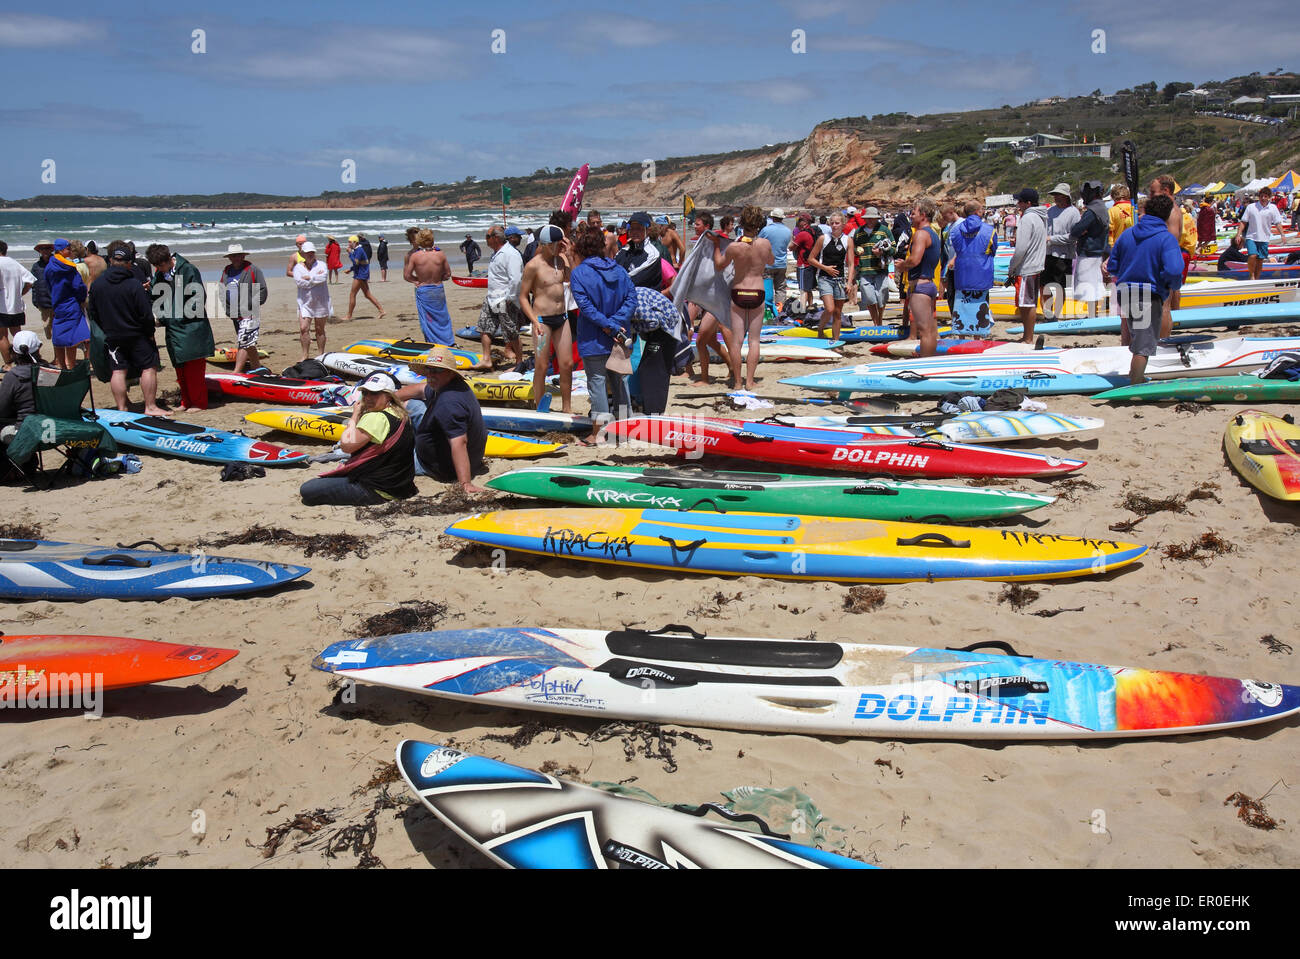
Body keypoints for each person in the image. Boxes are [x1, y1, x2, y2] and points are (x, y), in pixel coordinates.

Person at [299, 372, 417, 506]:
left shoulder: (376, 417)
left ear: (388, 396)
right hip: (401, 486)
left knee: (308, 489)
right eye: (365, 393)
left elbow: (346, 446)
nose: (368, 397)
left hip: (376, 489)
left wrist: (355, 415)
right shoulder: (401, 415)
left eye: (375, 393)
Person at [1107, 193, 1183, 385]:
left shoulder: (1128, 234)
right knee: (1144, 343)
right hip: (1149, 293)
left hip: (1125, 291)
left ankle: (1135, 375)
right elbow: (1174, 270)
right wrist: (1171, 285)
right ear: (1166, 216)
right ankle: (1136, 380)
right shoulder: (1166, 238)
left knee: (1138, 336)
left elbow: (1112, 266)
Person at [570, 226, 635, 440]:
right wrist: (615, 324)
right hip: (619, 334)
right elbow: (631, 300)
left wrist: (609, 325)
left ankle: (599, 432)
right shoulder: (619, 270)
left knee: (597, 381)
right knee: (619, 380)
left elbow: (586, 307)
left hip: (594, 335)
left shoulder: (579, 273)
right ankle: (625, 428)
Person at [89, 241, 168, 416]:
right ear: (128, 264)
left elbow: (93, 313)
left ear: (110, 261)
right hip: (136, 334)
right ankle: (150, 406)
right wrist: (150, 333)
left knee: (118, 370)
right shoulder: (133, 284)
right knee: (149, 367)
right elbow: (146, 314)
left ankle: (122, 407)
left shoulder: (97, 285)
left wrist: (106, 328)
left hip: (112, 334)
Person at [398, 350, 488, 492]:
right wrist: (390, 397)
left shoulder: (448, 402)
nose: (431, 375)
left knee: (382, 457)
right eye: (429, 369)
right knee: (410, 403)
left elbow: (459, 442)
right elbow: (421, 389)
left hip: (436, 466)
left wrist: (465, 483)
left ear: (450, 373)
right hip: (469, 458)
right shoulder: (448, 385)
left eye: (438, 370)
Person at [145, 243, 214, 412]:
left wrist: (170, 316)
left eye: (161, 265)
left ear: (169, 259)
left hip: (191, 327)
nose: (159, 269)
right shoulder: (160, 275)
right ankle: (186, 401)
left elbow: (197, 300)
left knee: (194, 369)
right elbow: (156, 297)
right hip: (173, 329)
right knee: (180, 367)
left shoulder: (188, 270)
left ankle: (199, 403)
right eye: (157, 267)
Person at [711, 205, 773, 392]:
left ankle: (737, 382)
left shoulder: (734, 247)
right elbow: (771, 261)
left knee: (737, 340)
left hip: (738, 292)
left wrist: (716, 245)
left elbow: (719, 265)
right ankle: (750, 381)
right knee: (754, 340)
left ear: (741, 223)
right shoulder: (764, 244)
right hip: (757, 292)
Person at [519, 224, 576, 413]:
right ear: (544, 244)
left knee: (567, 364)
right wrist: (534, 321)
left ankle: (567, 407)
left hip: (562, 317)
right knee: (542, 365)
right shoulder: (533, 265)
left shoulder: (561, 260)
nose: (557, 247)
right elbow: (523, 296)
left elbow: (572, 280)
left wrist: (568, 256)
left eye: (559, 243)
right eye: (554, 244)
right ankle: (540, 407)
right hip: (542, 319)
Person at [471, 225, 523, 370]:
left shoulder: (511, 254)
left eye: (487, 236)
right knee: (484, 327)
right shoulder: (496, 253)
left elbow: (516, 279)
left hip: (505, 299)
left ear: (495, 238)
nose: (485, 239)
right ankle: (486, 359)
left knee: (511, 331)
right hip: (491, 297)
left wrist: (510, 297)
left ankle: (519, 362)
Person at [947, 200, 998, 338]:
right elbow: (993, 250)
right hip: (982, 275)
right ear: (977, 212)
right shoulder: (989, 230)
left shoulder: (955, 230)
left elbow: (956, 250)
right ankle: (977, 337)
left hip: (962, 275)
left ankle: (962, 338)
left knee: (962, 307)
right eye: (981, 209)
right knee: (980, 306)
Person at [898, 199, 942, 357]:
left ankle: (926, 362)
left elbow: (915, 259)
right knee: (930, 330)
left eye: (913, 212)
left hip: (920, 287)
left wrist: (902, 265)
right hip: (929, 284)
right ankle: (928, 356)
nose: (910, 215)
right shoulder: (933, 234)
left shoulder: (921, 234)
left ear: (923, 215)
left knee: (925, 332)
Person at [1005, 188, 1048, 343]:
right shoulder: (1041, 217)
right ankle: (1027, 336)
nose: (1018, 205)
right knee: (1029, 302)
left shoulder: (1027, 218)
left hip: (1027, 267)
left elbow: (1021, 247)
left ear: (1028, 203)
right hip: (1037, 264)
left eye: (1020, 202)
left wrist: (1012, 267)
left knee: (1026, 303)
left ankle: (1028, 337)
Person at [218, 244, 268, 374]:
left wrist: (251, 305)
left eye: (238, 255)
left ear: (243, 256)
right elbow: (222, 289)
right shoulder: (227, 270)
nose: (236, 258)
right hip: (235, 313)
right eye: (233, 256)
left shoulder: (253, 270)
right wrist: (227, 308)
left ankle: (236, 372)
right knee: (249, 342)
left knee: (243, 341)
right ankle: (257, 368)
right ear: (229, 257)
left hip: (250, 312)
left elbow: (262, 290)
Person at [45, 239, 89, 370]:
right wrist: (82, 299)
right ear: (60, 250)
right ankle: (70, 364)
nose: (70, 251)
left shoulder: (49, 267)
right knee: (72, 337)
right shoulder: (69, 268)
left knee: (58, 336)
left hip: (58, 304)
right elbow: (78, 286)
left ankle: (62, 364)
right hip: (71, 304)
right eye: (68, 249)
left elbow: (48, 286)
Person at [405, 228, 454, 346]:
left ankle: (432, 343)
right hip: (438, 288)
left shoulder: (415, 256)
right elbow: (448, 274)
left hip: (424, 289)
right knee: (442, 316)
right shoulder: (440, 254)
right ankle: (448, 342)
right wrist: (438, 278)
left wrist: (418, 281)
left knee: (427, 319)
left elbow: (407, 275)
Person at [808, 212, 851, 342]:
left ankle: (836, 340)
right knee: (830, 308)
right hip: (824, 278)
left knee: (838, 312)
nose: (834, 226)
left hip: (840, 279)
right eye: (832, 223)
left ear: (843, 224)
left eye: (837, 223)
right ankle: (821, 329)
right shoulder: (823, 238)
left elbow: (851, 263)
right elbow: (811, 259)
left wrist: (849, 282)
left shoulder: (848, 240)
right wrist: (825, 268)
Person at [1070, 181, 1110, 316]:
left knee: (1089, 287)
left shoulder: (1092, 212)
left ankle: (1092, 315)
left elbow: (1075, 231)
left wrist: (1080, 230)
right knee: (1095, 286)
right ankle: (1093, 314)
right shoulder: (1103, 208)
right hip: (1098, 252)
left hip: (1089, 252)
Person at [850, 207, 895, 326]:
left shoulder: (884, 230)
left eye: (872, 218)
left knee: (881, 298)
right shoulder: (859, 232)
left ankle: (879, 320)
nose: (869, 221)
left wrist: (882, 253)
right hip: (864, 269)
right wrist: (856, 251)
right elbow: (853, 247)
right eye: (867, 218)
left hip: (881, 269)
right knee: (870, 299)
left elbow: (893, 248)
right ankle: (876, 323)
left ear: (877, 219)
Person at [1043, 184, 1079, 318]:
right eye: (1054, 195)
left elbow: (1073, 236)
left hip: (1064, 255)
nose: (1055, 198)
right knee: (1044, 285)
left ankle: (1056, 314)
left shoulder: (1073, 212)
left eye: (1058, 195)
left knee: (1059, 286)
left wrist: (1051, 239)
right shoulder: (1051, 211)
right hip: (1048, 253)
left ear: (1065, 196)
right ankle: (1048, 312)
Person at [1236, 186, 1286, 281]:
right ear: (1259, 197)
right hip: (1251, 237)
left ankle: (1257, 279)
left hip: (1264, 238)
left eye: (1265, 196)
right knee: (1252, 255)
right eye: (1262, 196)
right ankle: (1251, 275)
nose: (1263, 198)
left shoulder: (1273, 208)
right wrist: (1239, 234)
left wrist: (1282, 235)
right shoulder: (1251, 207)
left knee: (1260, 261)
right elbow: (1243, 222)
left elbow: (1278, 223)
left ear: (1269, 197)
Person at [292, 242, 332, 361]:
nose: (310, 254)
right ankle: (305, 354)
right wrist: (315, 279)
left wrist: (309, 278)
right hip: (304, 302)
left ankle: (320, 354)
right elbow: (299, 282)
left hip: (321, 301)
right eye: (308, 253)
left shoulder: (321, 265)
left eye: (312, 252)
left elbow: (323, 277)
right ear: (302, 254)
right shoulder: (298, 268)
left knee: (320, 329)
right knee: (304, 328)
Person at [0, 241, 36, 367]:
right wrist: (19, 294)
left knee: (2, 336)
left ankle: (8, 364)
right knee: (17, 335)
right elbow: (30, 281)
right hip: (16, 305)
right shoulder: (13, 262)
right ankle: (22, 361)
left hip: (2, 306)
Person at [0, 330, 43, 433]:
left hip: (23, 431)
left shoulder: (13, 376)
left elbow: (2, 409)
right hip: (52, 427)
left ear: (13, 352)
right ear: (38, 349)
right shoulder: (50, 371)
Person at [616, 212, 664, 289]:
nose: (635, 232)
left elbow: (634, 279)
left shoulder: (652, 254)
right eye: (632, 229)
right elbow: (615, 267)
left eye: (639, 229)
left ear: (647, 230)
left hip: (644, 296)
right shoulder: (624, 250)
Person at [758, 208, 793, 312]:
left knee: (767, 288)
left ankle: (767, 310)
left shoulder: (766, 230)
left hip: (768, 264)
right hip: (782, 263)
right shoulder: (787, 231)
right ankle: (779, 311)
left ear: (772, 217)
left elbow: (758, 243)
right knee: (780, 289)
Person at [343, 235, 384, 320]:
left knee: (352, 294)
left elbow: (356, 262)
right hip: (362, 274)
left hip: (360, 275)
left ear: (355, 242)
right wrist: (350, 270)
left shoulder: (359, 250)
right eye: (348, 242)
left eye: (350, 242)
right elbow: (359, 264)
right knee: (367, 295)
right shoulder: (357, 250)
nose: (349, 243)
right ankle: (381, 310)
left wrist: (350, 253)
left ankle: (349, 315)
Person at [790, 214, 819, 311]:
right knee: (808, 287)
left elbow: (791, 247)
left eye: (800, 220)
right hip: (811, 264)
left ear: (804, 222)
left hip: (803, 264)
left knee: (803, 289)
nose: (798, 222)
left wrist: (793, 240)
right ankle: (810, 305)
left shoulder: (802, 234)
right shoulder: (813, 232)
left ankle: (802, 309)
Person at [30, 242, 55, 341]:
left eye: (47, 248)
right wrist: (35, 301)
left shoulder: (57, 264)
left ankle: (58, 355)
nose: (45, 250)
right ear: (39, 251)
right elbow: (33, 284)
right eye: (42, 248)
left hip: (57, 302)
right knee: (47, 329)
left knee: (56, 330)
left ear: (51, 249)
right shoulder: (36, 266)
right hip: (43, 303)